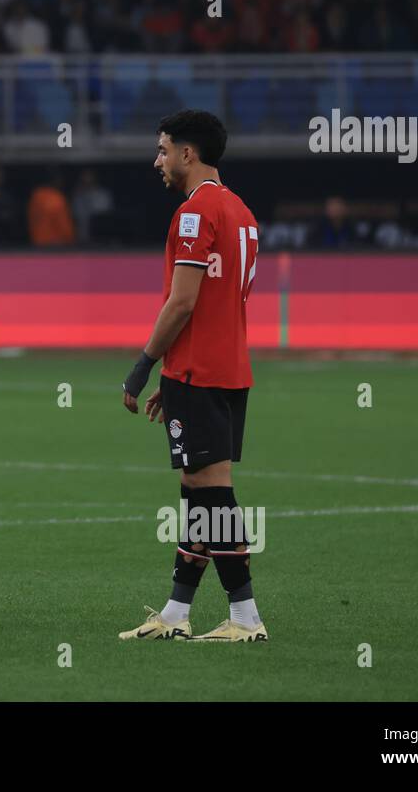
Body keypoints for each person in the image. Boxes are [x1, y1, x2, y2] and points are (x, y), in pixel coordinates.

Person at [120, 110, 266, 643]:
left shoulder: (194, 212)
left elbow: (182, 303)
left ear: (188, 153)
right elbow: (223, 302)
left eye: (162, 150)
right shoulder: (242, 212)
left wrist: (143, 368)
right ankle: (177, 612)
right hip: (223, 370)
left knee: (212, 495)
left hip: (200, 372)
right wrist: (175, 374)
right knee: (198, 492)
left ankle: (246, 617)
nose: (156, 161)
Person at [27, 171, 75, 246]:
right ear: (56, 181)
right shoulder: (56, 198)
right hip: (55, 243)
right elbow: (63, 223)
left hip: (37, 242)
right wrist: (71, 239)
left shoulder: (35, 196)